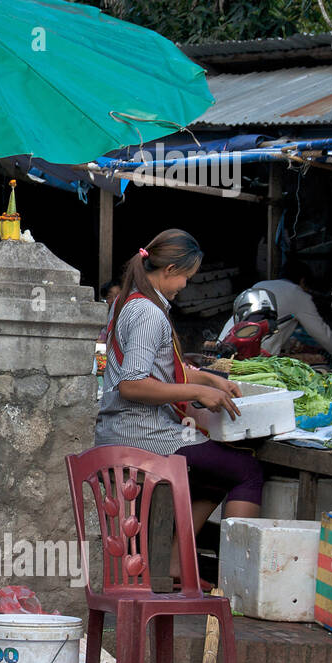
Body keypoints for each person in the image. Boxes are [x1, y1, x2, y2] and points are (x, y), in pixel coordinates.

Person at [96, 229, 263, 580]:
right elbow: (132, 384)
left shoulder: (129, 301)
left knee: (216, 475)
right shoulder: (148, 313)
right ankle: (238, 582)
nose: (186, 285)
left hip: (121, 429)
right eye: (186, 276)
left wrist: (209, 379)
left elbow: (162, 367)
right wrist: (195, 394)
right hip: (142, 434)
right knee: (246, 471)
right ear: (170, 270)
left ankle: (174, 562)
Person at [216, 260, 332, 366]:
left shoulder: (262, 285)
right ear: (303, 281)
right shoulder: (297, 294)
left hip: (224, 346)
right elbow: (320, 331)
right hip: (251, 356)